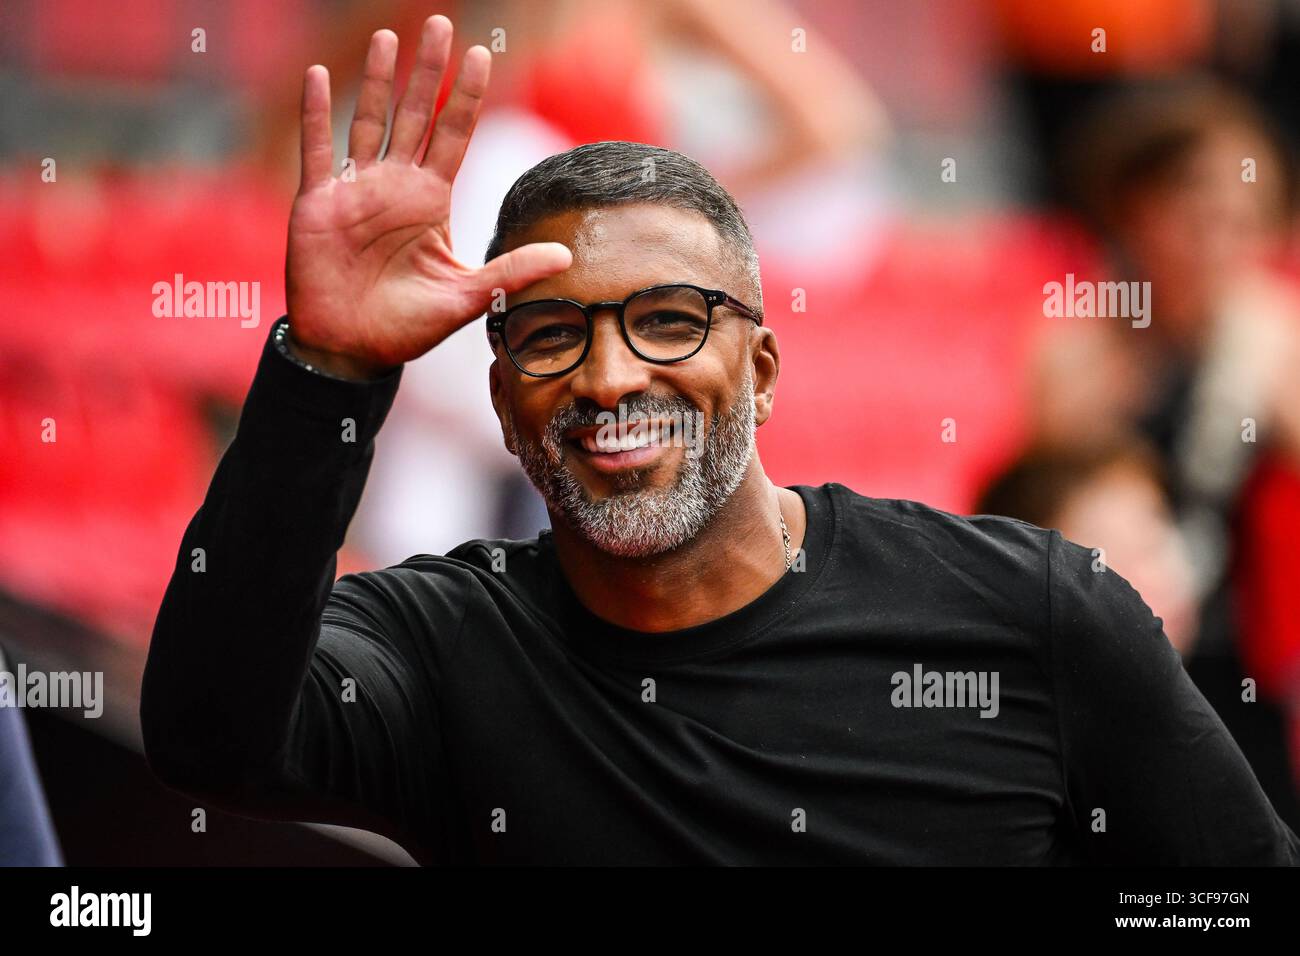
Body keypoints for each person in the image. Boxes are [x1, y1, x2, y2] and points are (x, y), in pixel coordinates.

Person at [141, 16, 1300, 865]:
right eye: (550, 336)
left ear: (761, 365)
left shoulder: (1033, 611)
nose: (608, 376)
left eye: (667, 321)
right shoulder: (448, 644)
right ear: (499, 399)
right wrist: (328, 368)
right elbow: (211, 737)